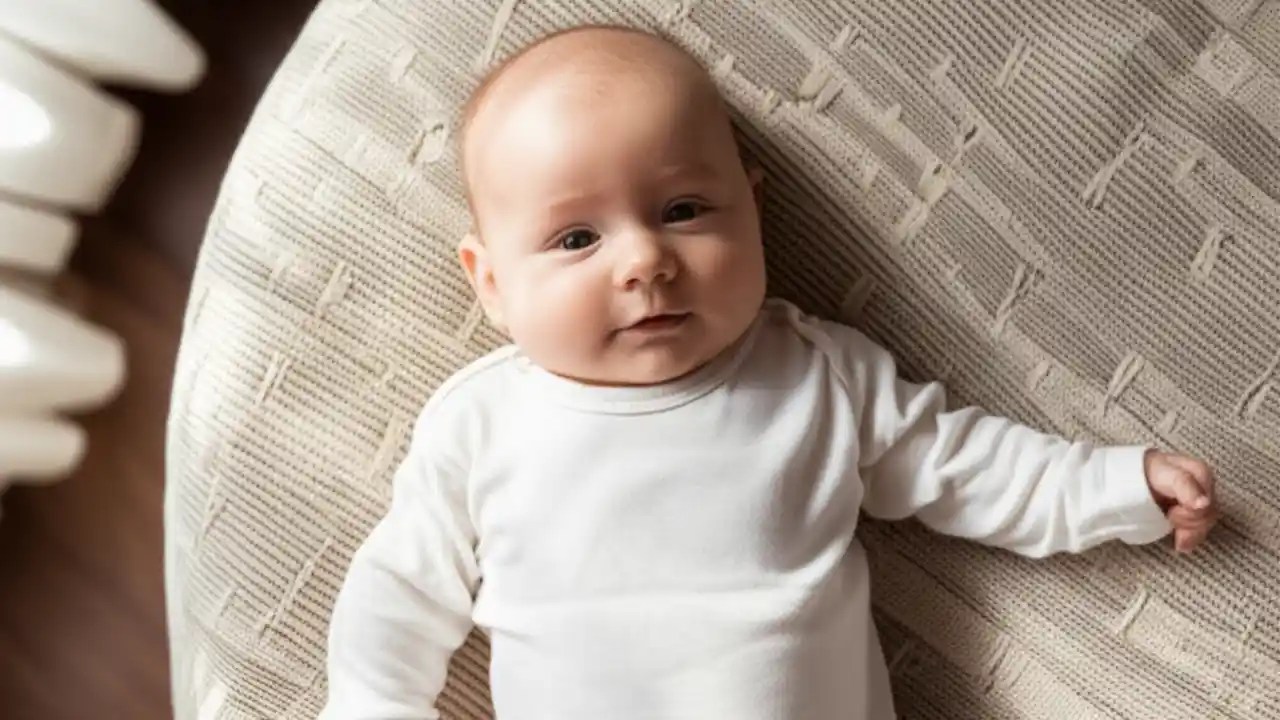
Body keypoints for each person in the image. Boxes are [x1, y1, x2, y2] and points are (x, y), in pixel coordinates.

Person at [320, 25, 1219, 720]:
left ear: (753, 210)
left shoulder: (815, 374)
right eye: (576, 238)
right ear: (492, 285)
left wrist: (1115, 485)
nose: (643, 260)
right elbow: (401, 586)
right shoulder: (483, 424)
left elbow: (968, 464)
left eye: (682, 210)